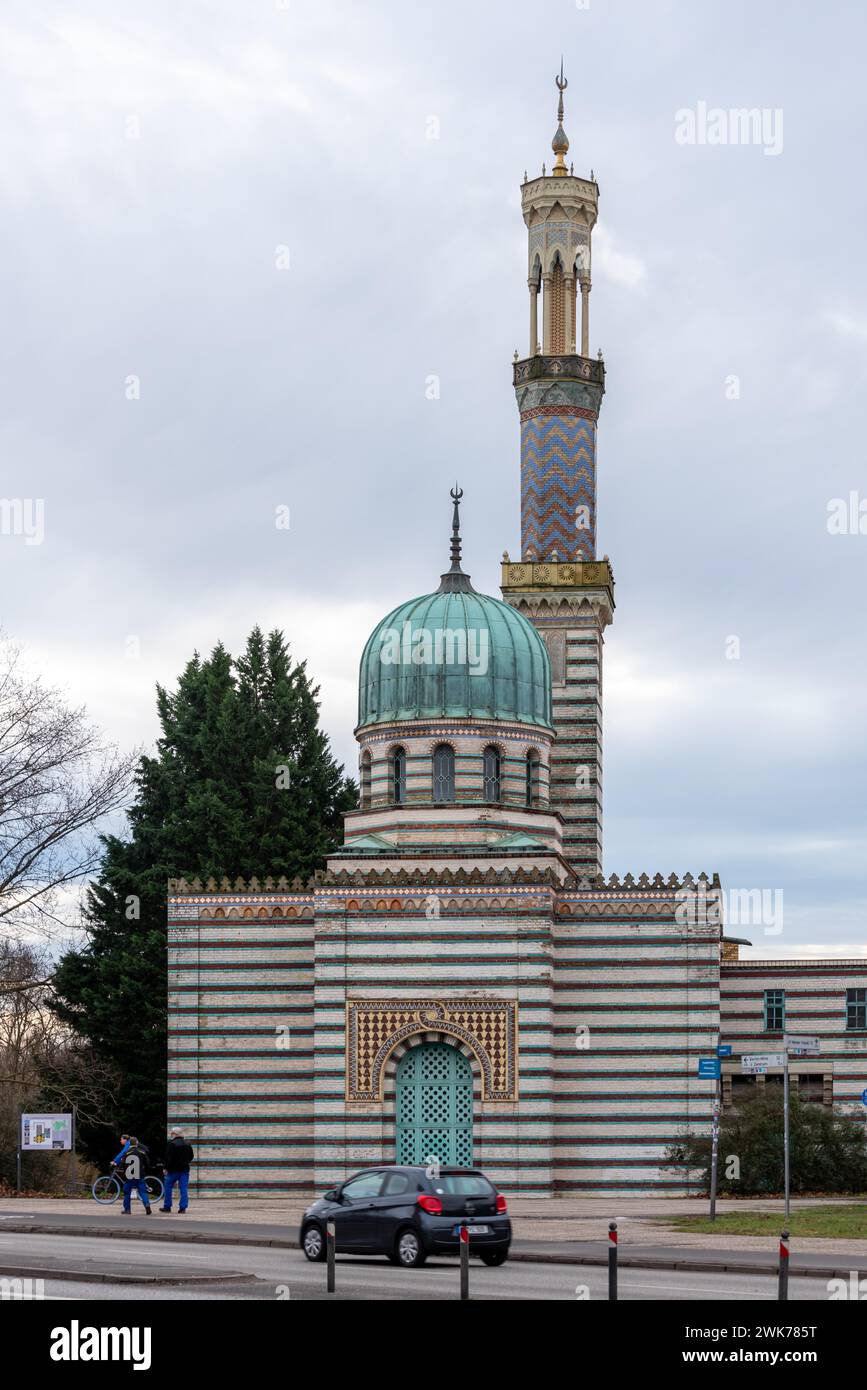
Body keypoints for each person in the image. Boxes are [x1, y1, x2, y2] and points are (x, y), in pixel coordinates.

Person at [160, 1127, 194, 1213]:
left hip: (173, 1171)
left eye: (171, 1133)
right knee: (183, 1189)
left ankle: (167, 1207)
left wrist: (165, 1168)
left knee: (168, 1187)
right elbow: (191, 1156)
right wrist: (186, 1162)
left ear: (175, 1134)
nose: (171, 1135)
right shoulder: (187, 1143)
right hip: (184, 1170)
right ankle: (183, 1208)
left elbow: (168, 1158)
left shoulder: (171, 1144)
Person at [118, 1135, 152, 1215]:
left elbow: (123, 1164)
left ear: (129, 1143)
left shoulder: (127, 1152)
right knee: (143, 1191)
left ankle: (127, 1209)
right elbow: (148, 1164)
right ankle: (147, 1204)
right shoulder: (142, 1152)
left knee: (127, 1192)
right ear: (137, 1143)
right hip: (140, 1175)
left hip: (129, 1175)